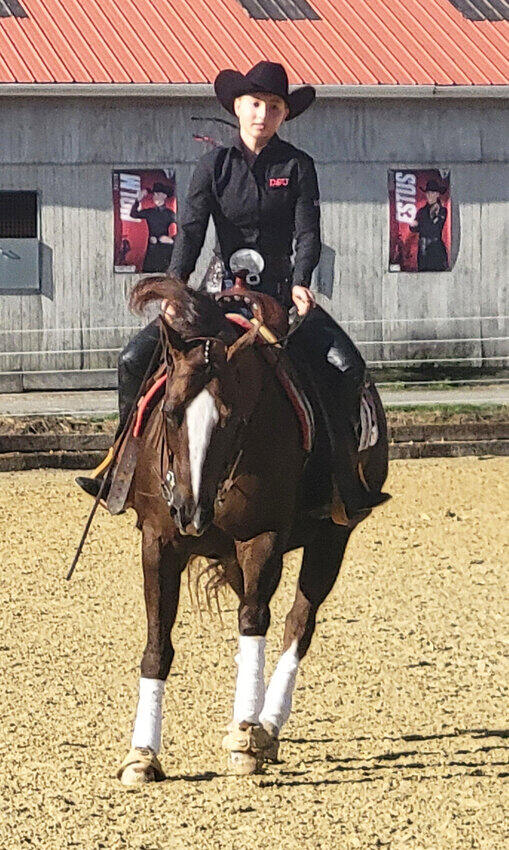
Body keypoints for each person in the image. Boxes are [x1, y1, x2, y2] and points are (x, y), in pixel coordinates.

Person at [77, 61, 387, 521]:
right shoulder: (212, 166)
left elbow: (308, 233)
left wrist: (302, 281)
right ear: (238, 107)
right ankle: (119, 466)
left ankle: (342, 483)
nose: (263, 113)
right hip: (217, 296)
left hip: (282, 296)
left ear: (284, 114)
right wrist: (175, 289)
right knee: (130, 361)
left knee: (346, 365)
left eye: (274, 106)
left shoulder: (298, 166)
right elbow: (190, 232)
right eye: (256, 103)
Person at [130, 183, 176, 272]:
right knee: (149, 271)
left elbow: (184, 226)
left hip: (165, 248)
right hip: (152, 246)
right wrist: (138, 199)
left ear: (164, 196)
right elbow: (133, 214)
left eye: (158, 194)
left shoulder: (169, 214)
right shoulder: (150, 212)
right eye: (154, 194)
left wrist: (172, 240)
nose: (155, 197)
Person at [409, 179, 448, 271]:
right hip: (423, 250)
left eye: (433, 193)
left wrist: (419, 224)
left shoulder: (442, 210)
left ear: (438, 194)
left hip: (436, 249)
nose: (430, 195)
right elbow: (414, 229)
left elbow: (434, 227)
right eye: (428, 193)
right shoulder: (421, 211)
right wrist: (413, 225)